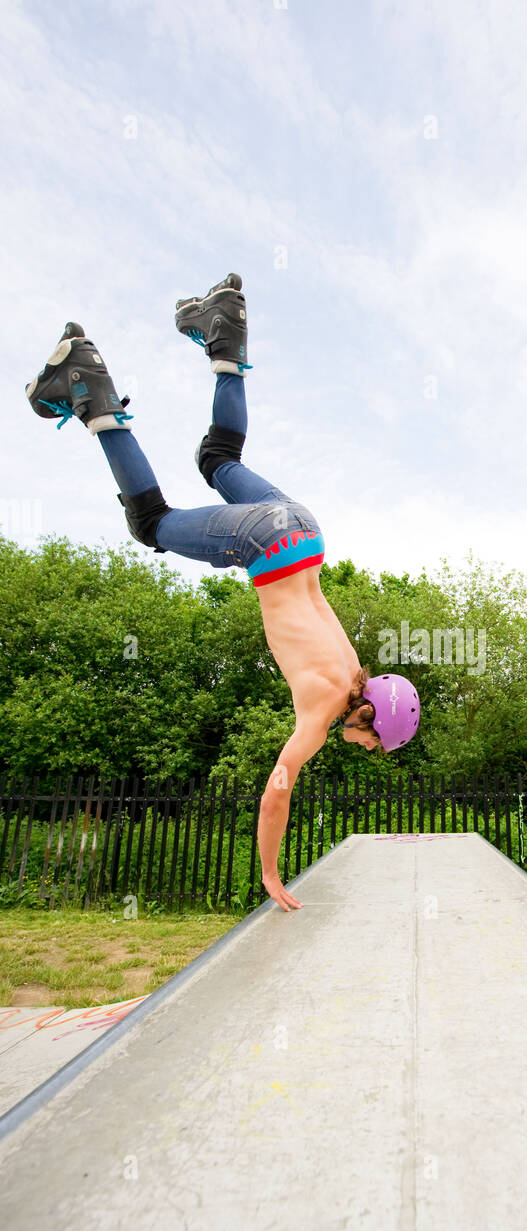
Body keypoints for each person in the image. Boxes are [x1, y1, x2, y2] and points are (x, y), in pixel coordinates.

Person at [25, 273, 420, 912]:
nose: (365, 750)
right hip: (267, 546)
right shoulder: (322, 711)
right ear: (371, 721)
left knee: (217, 457)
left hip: (306, 531)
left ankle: (224, 331)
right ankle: (86, 386)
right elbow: (276, 794)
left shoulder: (350, 668)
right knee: (150, 523)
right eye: (374, 744)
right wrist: (270, 874)